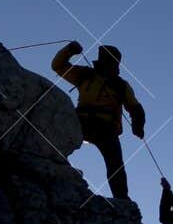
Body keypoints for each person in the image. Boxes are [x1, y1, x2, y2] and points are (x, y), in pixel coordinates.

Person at [51, 41, 146, 200]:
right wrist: (68, 51)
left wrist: (138, 125)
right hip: (84, 122)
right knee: (115, 163)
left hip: (104, 128)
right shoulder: (85, 75)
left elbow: (135, 109)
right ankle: (52, 167)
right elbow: (58, 66)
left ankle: (121, 198)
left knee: (115, 164)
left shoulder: (119, 85)